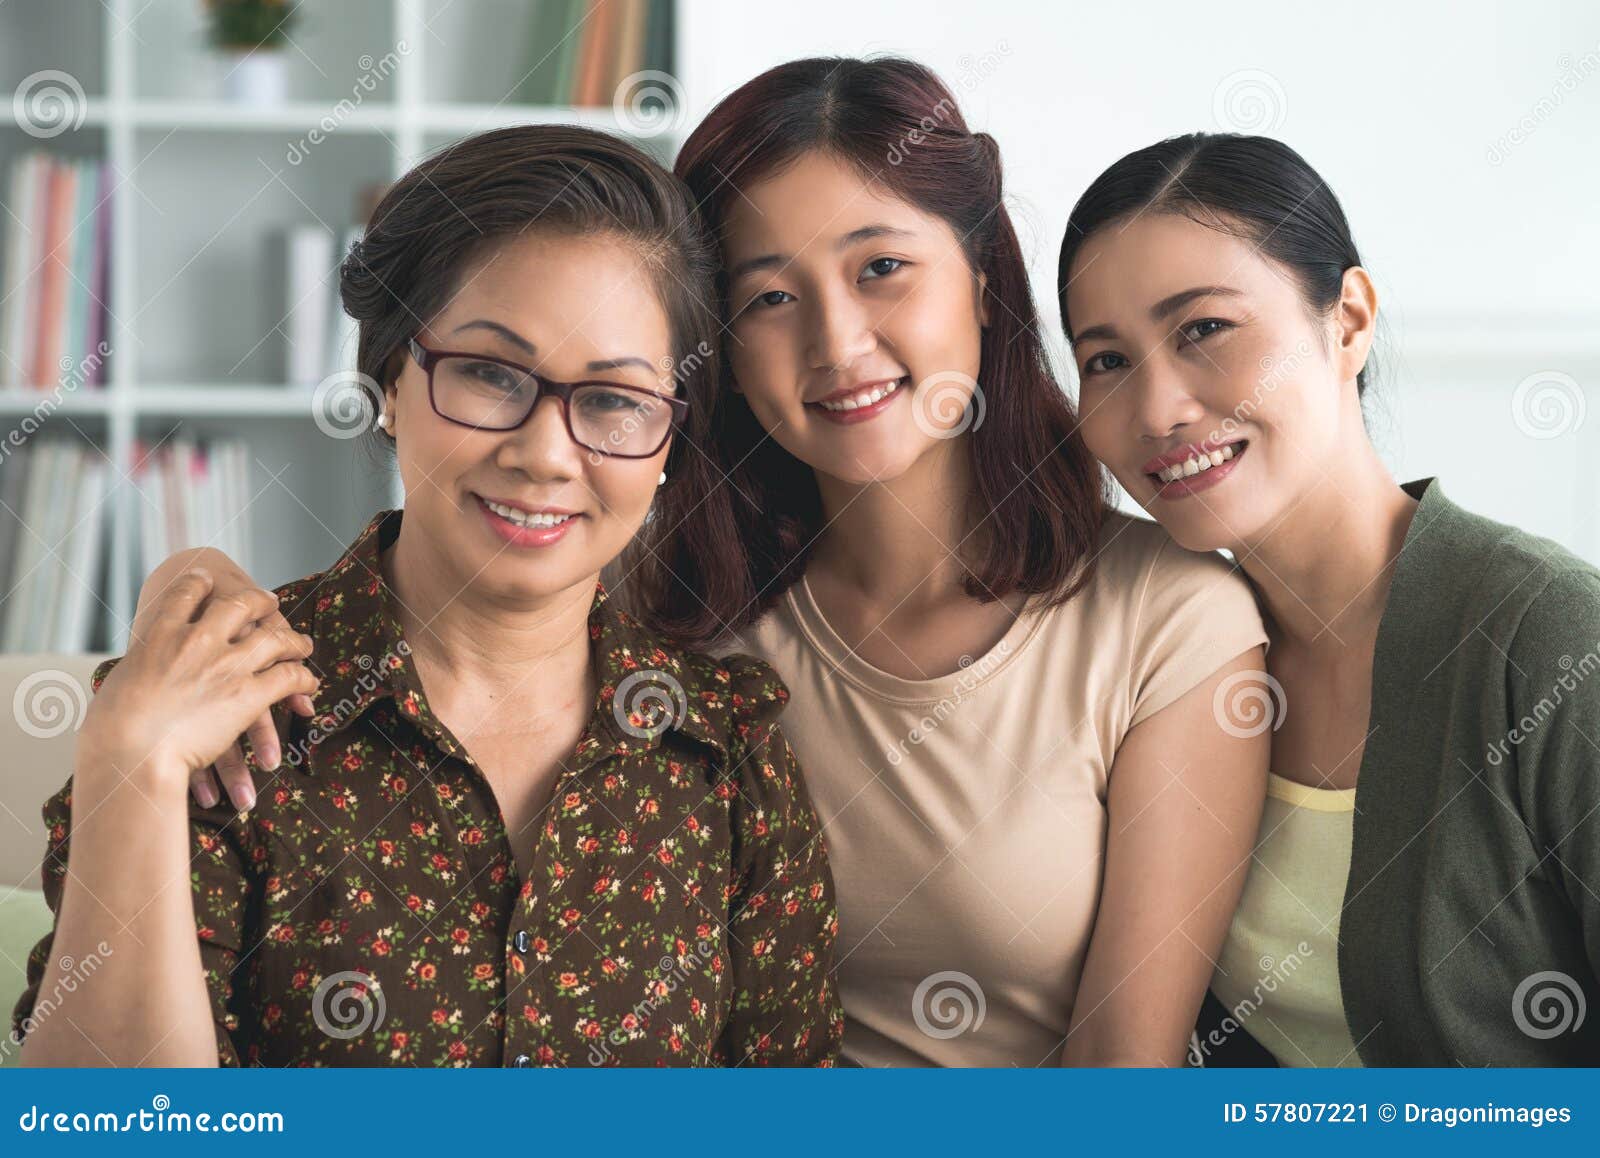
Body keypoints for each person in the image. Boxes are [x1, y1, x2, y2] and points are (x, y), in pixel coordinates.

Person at [11, 125, 843, 1068]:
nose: (544, 453)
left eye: (615, 399)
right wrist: (133, 760)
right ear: (391, 383)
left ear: (669, 448)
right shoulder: (210, 712)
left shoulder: (729, 751)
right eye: (491, 375)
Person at [1059, 131, 1600, 1066]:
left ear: (1347, 321)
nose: (1156, 411)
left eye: (1203, 330)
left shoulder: (1545, 632)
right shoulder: (1162, 651)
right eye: (1106, 360)